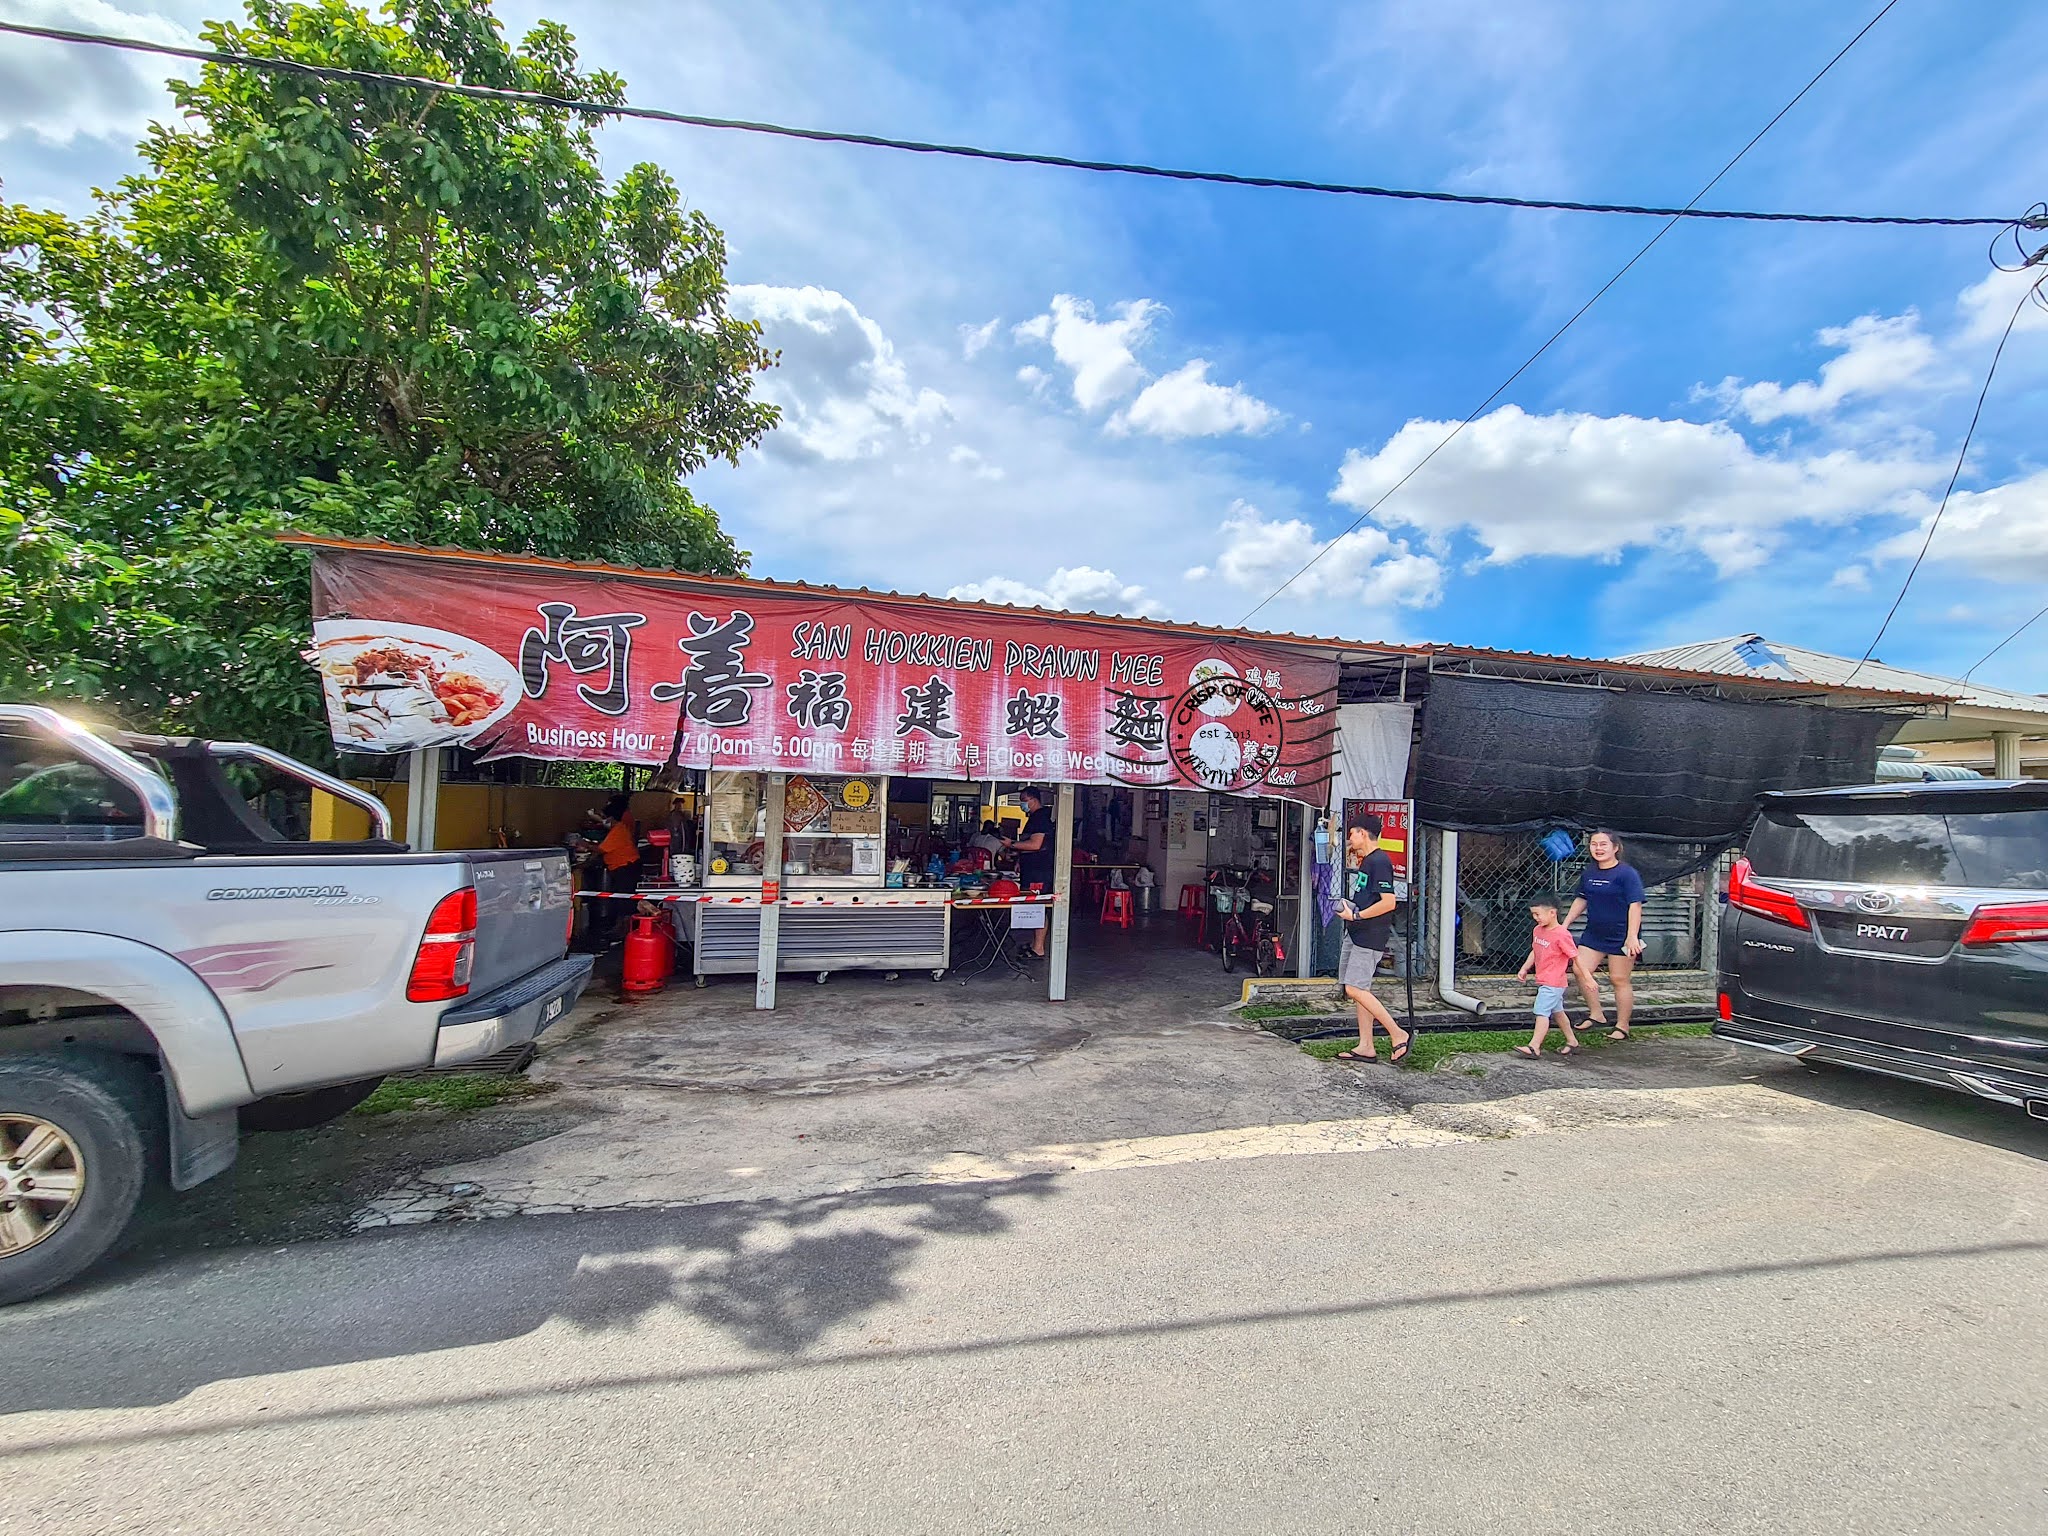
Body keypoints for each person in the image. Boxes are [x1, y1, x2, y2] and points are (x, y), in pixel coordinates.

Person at [1332, 813, 1414, 1065]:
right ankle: (1366, 1045)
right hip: (1357, 932)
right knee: (1359, 990)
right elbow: (1369, 896)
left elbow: (1388, 902)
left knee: (1354, 988)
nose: (1350, 839)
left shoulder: (1379, 861)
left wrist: (1357, 915)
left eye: (1352, 833)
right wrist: (1351, 908)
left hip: (1369, 935)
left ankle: (1398, 1033)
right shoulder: (1368, 861)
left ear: (1362, 833)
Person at [1564, 829, 1642, 1040]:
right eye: (1594, 844)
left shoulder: (1627, 874)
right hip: (1594, 933)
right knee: (1580, 970)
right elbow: (1582, 899)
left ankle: (1622, 1026)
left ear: (1615, 848)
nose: (1598, 848)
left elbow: (1635, 905)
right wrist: (1565, 924)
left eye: (1603, 844)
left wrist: (1632, 936)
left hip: (1622, 935)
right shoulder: (1589, 873)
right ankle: (1596, 1014)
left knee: (1619, 979)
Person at [1513, 898, 1582, 1058]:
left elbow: (1576, 957)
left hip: (1554, 982)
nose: (1535, 918)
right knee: (1558, 1012)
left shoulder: (1562, 934)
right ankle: (1572, 1042)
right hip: (1544, 979)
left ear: (1552, 913)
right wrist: (1525, 968)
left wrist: (1587, 978)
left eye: (1538, 914)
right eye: (1533, 914)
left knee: (1541, 1011)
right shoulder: (1538, 930)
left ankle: (1534, 1047)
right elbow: (1535, 950)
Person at [1005, 788, 1055, 959]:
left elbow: (1035, 845)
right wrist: (1020, 860)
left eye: (1023, 800)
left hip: (1039, 871)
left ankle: (1038, 948)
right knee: (1034, 906)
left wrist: (1012, 844)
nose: (1022, 804)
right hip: (1032, 868)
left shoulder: (1041, 818)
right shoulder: (1034, 818)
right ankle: (1035, 944)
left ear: (1034, 799)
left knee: (1039, 906)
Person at [590, 793, 642, 946]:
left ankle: (624, 931)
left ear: (612, 818)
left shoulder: (618, 830)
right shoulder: (618, 828)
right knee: (622, 899)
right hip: (624, 866)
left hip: (626, 866)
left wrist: (583, 844)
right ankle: (621, 929)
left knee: (624, 901)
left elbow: (601, 849)